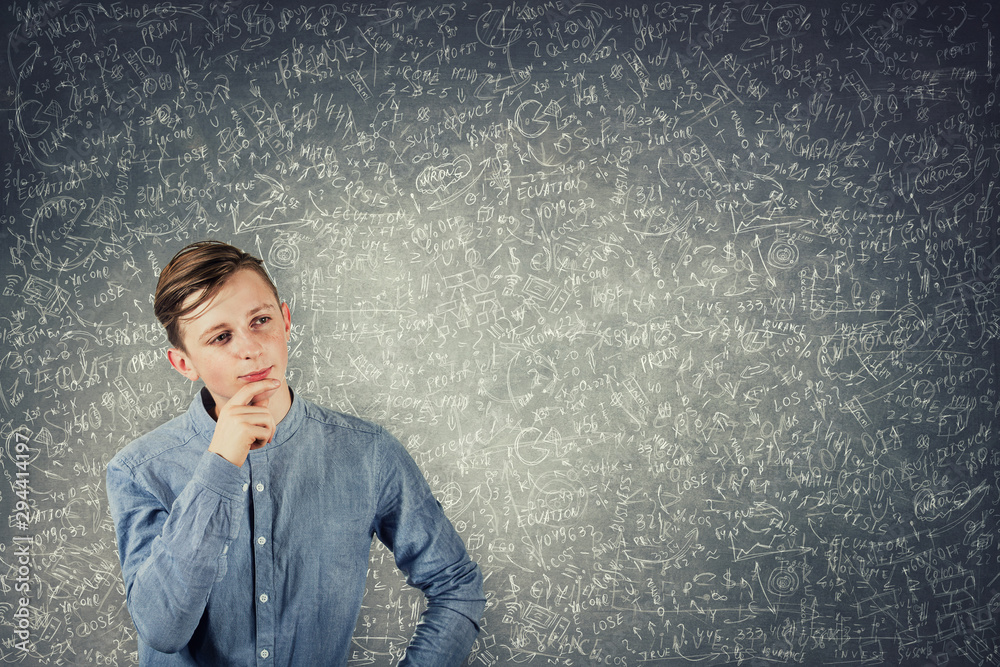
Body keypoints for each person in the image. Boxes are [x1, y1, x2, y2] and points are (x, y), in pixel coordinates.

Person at [106, 240, 485, 665]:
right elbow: (162, 629)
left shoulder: (368, 453)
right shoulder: (140, 470)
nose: (250, 347)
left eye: (261, 320)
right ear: (184, 363)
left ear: (285, 320)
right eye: (221, 336)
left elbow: (456, 585)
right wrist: (219, 468)